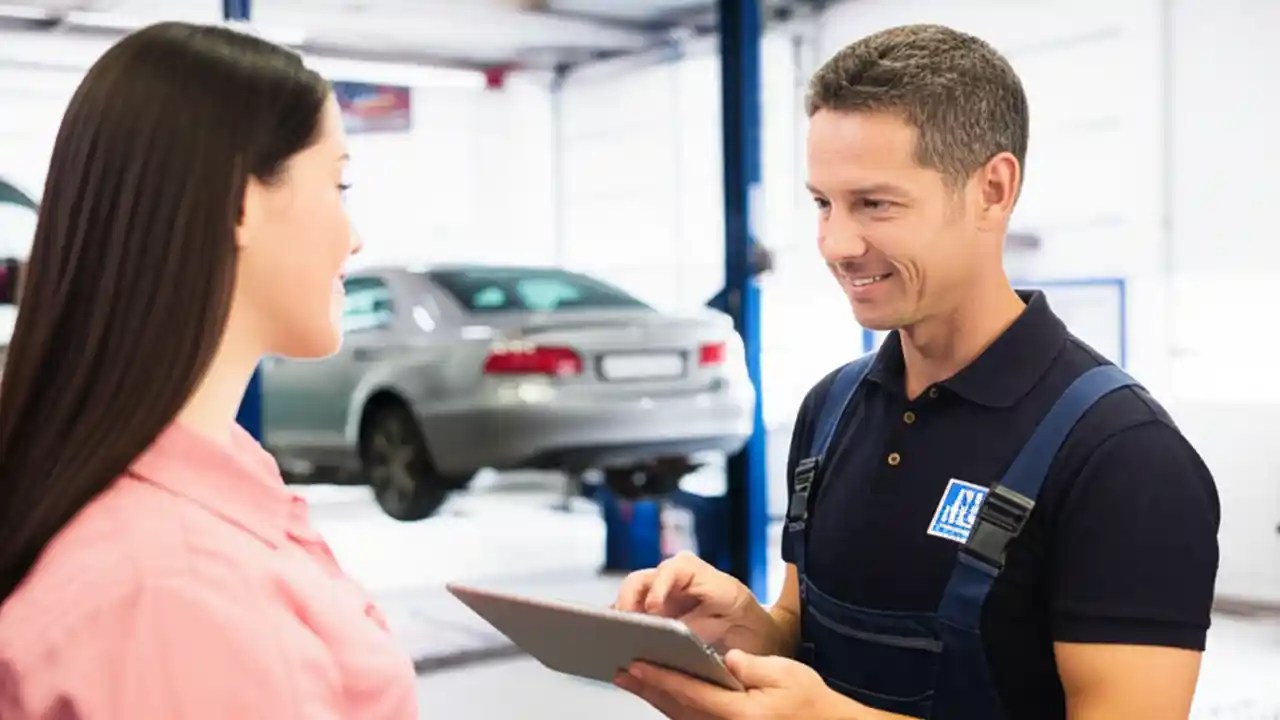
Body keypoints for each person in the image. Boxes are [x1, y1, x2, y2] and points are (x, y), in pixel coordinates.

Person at [613, 23, 1219, 720]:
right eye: (822, 202)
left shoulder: (1126, 459)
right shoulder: (831, 409)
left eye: (875, 203)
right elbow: (803, 635)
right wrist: (742, 628)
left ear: (992, 189)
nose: (837, 244)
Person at [0, 23, 417, 719]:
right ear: (240, 202)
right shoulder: (172, 596)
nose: (355, 235)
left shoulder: (202, 482)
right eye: (338, 184)